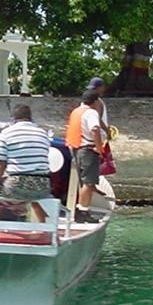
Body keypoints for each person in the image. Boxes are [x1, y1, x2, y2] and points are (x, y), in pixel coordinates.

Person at [0, 104, 52, 222]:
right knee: (35, 198)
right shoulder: (43, 133)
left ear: (13, 119)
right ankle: (44, 229)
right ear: (30, 118)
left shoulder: (7, 133)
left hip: (17, 186)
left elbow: (1, 165)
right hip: (43, 185)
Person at [65, 90, 104, 223]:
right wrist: (99, 149)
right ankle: (82, 212)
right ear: (96, 101)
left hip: (77, 149)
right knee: (88, 182)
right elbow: (95, 129)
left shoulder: (76, 111)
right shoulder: (91, 112)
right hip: (88, 149)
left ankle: (81, 210)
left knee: (83, 182)